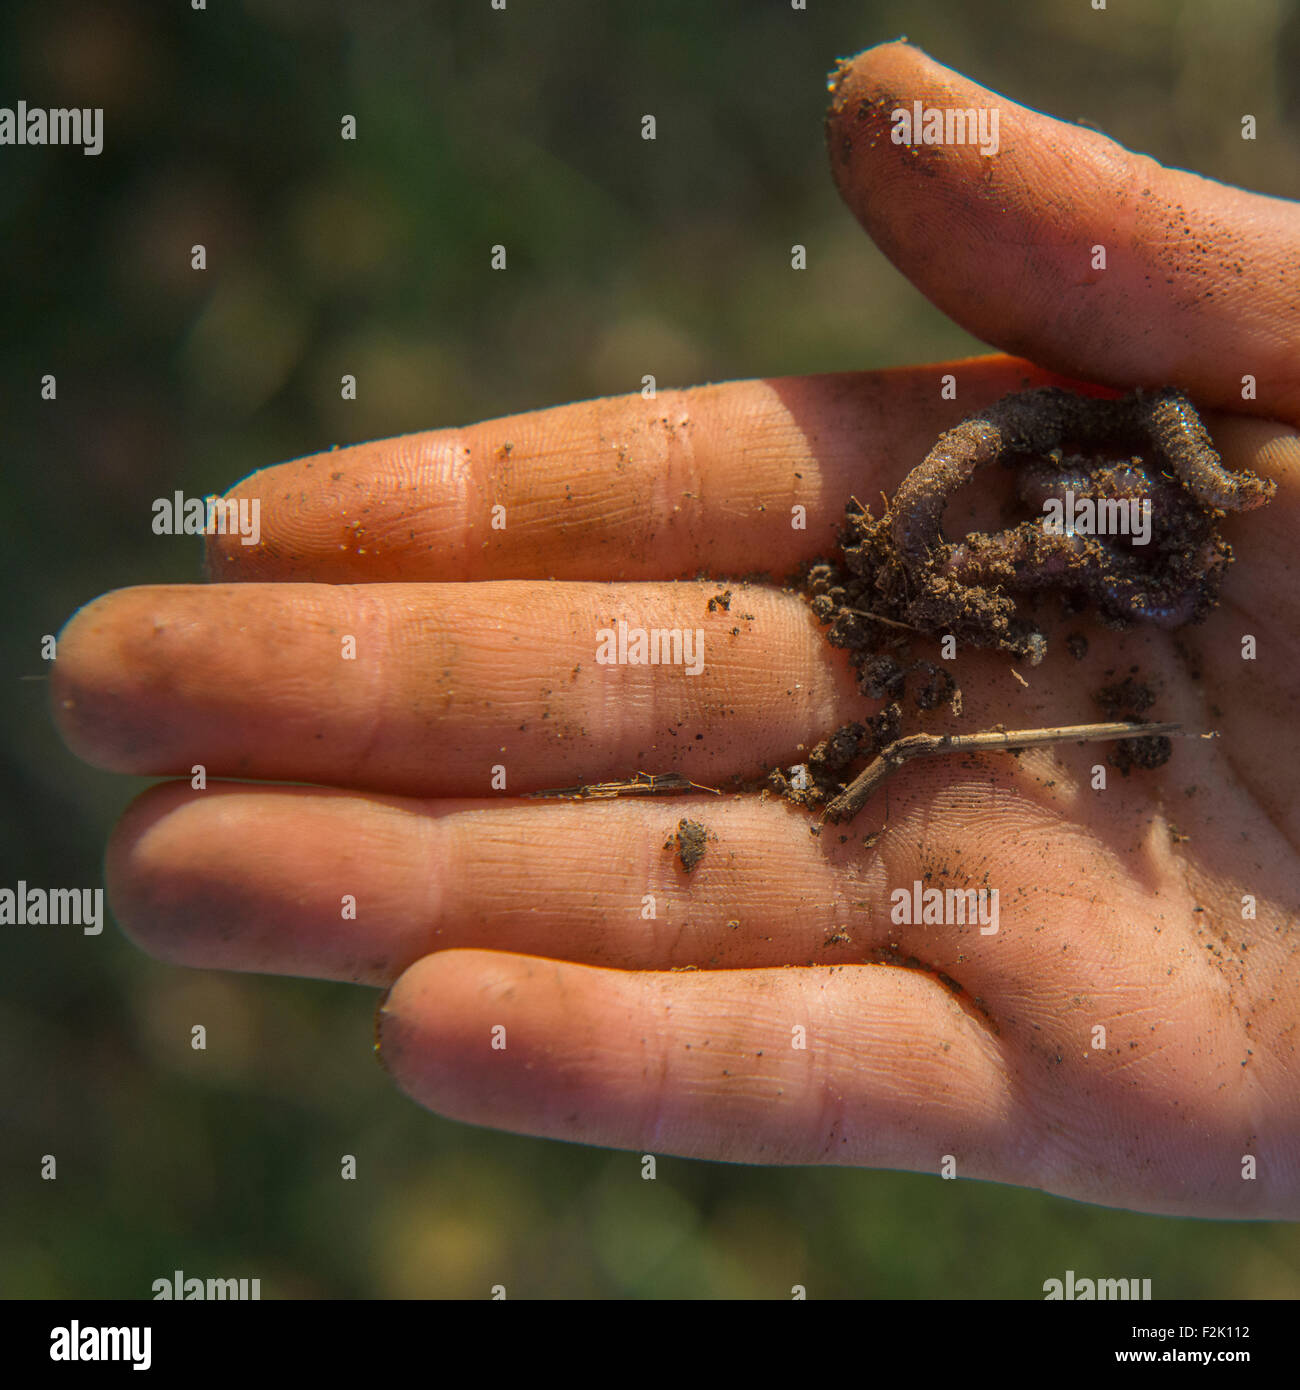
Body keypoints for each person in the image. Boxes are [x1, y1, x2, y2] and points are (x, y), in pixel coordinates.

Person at [52, 43, 1299, 1218]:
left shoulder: (1133, 530)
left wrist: (1064, 532)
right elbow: (1022, 470)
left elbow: (1085, 507)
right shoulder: (1075, 507)